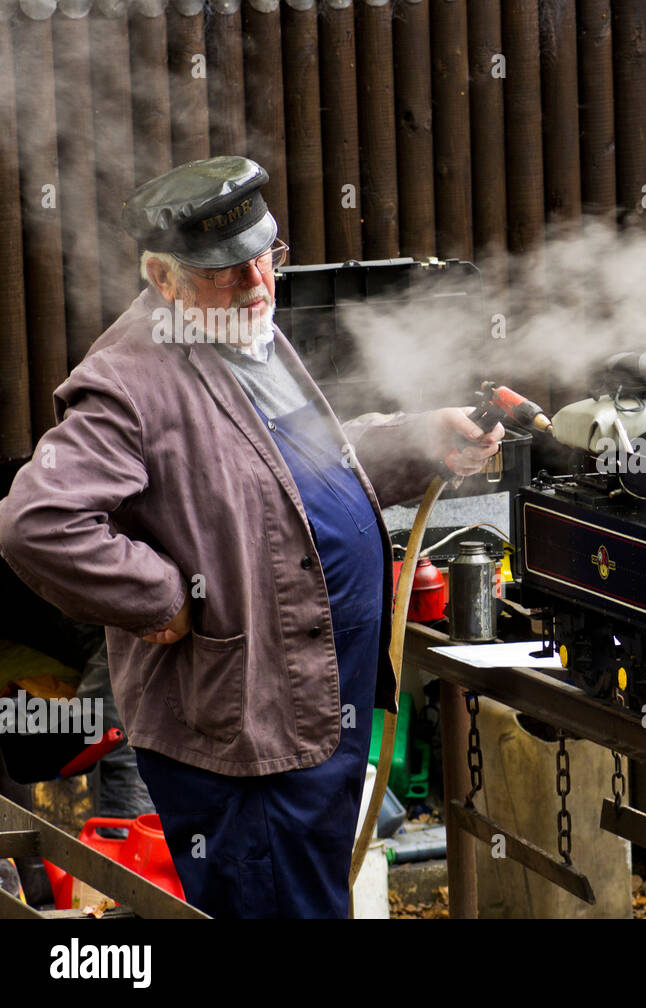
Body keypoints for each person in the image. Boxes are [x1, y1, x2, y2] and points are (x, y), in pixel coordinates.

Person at [0, 155, 503, 917]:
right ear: (163, 280)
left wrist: (418, 439)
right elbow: (38, 524)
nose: (258, 284)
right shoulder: (130, 377)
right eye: (226, 272)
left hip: (310, 707)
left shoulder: (247, 332)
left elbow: (290, 472)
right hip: (245, 736)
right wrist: (159, 596)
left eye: (264, 258)